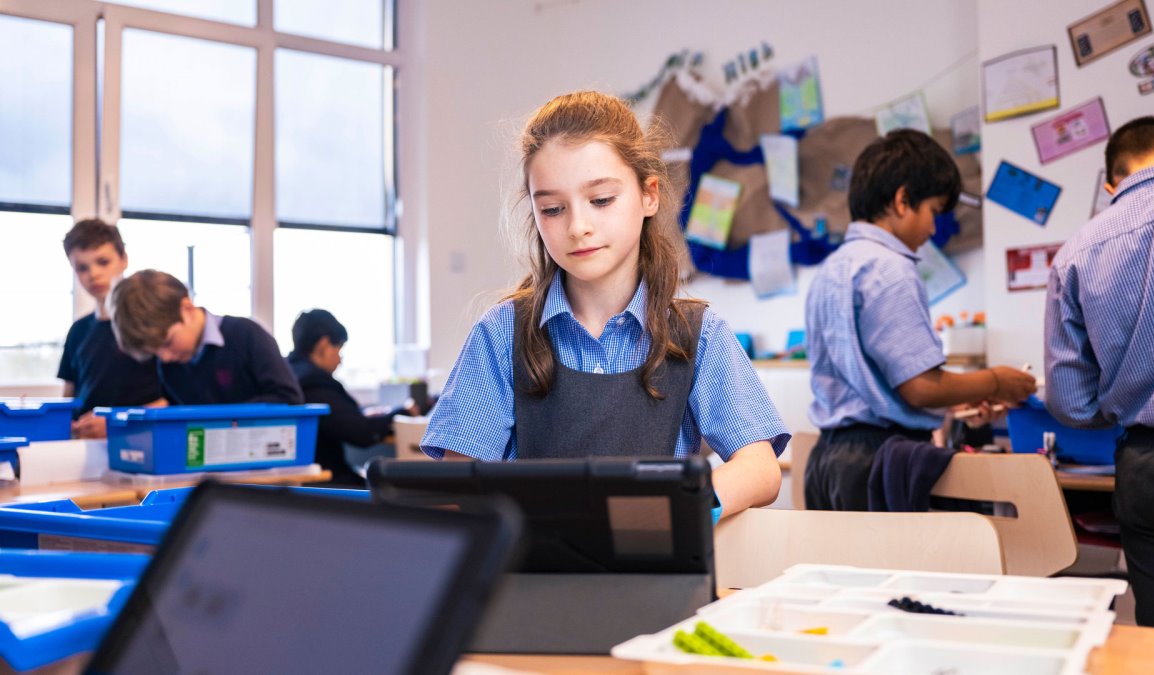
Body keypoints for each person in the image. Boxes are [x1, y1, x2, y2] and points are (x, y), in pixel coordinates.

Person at [420, 91, 789, 521]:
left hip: (657, 576)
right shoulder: (501, 333)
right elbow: (462, 486)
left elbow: (761, 469)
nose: (578, 227)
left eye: (601, 200)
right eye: (553, 209)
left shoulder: (699, 334)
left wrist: (676, 509)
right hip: (534, 579)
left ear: (649, 195)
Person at [805, 129, 1036, 511]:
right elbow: (921, 388)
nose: (932, 229)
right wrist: (997, 380)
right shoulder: (891, 268)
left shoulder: (832, 268)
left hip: (828, 460)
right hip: (880, 462)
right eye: (933, 211)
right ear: (902, 200)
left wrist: (963, 396)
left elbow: (878, 385)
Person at [1044, 115, 1154, 629]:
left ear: (1113, 183)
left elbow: (1071, 403)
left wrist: (1129, 397)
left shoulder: (1076, 252)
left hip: (1142, 469)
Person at [108, 269, 303, 406]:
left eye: (168, 342)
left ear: (186, 309)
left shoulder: (246, 336)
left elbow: (289, 399)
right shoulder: (170, 366)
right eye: (155, 352)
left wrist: (222, 417)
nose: (165, 358)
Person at [57, 220, 165, 438]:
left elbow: (176, 400)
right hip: (83, 449)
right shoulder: (78, 331)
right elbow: (68, 402)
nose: (93, 274)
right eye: (82, 268)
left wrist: (116, 423)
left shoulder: (153, 323)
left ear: (124, 259)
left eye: (103, 262)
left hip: (141, 442)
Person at [287, 309, 400, 486]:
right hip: (325, 484)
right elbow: (362, 433)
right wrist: (401, 414)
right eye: (338, 348)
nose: (340, 359)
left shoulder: (287, 372)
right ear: (323, 345)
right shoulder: (315, 382)